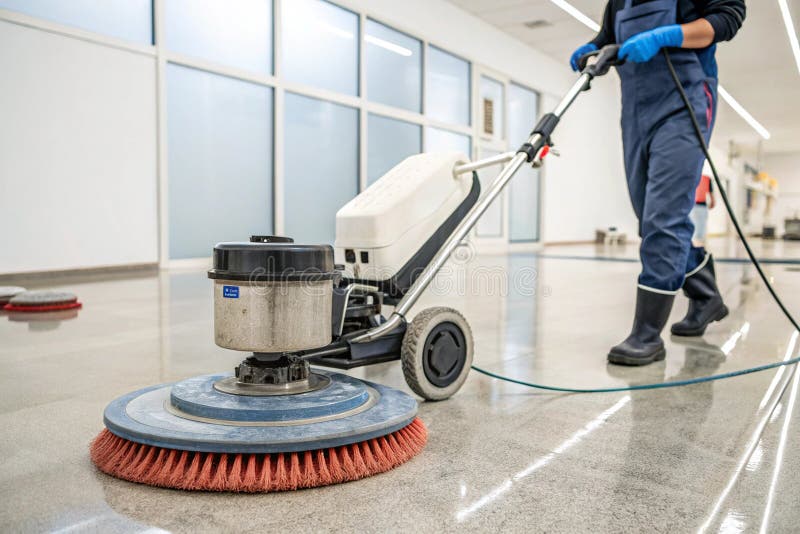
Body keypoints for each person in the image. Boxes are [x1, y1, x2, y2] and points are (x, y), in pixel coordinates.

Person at [569, 0, 744, 366]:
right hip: (636, 108)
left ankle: (646, 334)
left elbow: (728, 18)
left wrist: (670, 35)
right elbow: (608, 35)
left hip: (685, 100)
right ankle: (706, 294)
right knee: (648, 216)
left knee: (665, 217)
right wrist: (594, 48)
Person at [690, 173, 715, 246]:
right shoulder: (706, 178)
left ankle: (696, 250)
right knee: (700, 232)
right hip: (700, 207)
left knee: (695, 232)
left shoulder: (692, 175)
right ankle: (698, 250)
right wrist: (712, 203)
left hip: (692, 206)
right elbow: (712, 200)